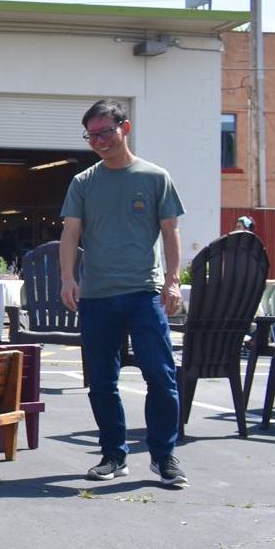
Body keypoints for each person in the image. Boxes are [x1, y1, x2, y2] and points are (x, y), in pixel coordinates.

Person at [60, 98, 188, 488]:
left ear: (125, 128)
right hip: (97, 296)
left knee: (161, 376)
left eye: (105, 132)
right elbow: (70, 233)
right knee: (101, 381)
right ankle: (114, 455)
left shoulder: (155, 177)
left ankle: (163, 457)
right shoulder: (84, 182)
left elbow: (170, 231)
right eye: (91, 136)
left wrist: (173, 280)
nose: (99, 141)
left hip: (143, 293)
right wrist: (67, 278)